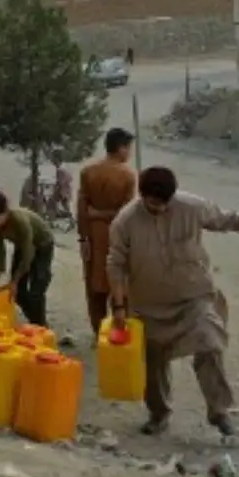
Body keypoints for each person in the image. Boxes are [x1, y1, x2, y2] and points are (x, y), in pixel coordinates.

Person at [107, 166, 239, 438]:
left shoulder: (191, 207)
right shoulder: (125, 222)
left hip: (193, 298)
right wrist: (120, 308)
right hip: (148, 305)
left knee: (210, 343)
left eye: (164, 204)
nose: (159, 209)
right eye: (152, 204)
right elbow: (116, 265)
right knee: (153, 364)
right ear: (142, 195)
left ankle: (219, 412)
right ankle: (158, 414)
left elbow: (231, 220)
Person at [77, 127, 136, 337]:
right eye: (128, 148)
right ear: (121, 148)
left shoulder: (88, 171)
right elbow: (128, 212)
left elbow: (82, 208)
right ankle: (121, 331)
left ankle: (98, 331)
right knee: (121, 283)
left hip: (93, 235)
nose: (129, 153)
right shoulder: (127, 175)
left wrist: (83, 235)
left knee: (94, 287)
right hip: (118, 236)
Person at [0, 190, 55, 327]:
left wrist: (15, 280)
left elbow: (28, 254)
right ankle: (36, 322)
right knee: (17, 293)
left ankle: (41, 327)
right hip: (21, 245)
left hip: (42, 244)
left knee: (36, 291)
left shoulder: (20, 221)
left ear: (6, 212)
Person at [49, 150, 73, 219]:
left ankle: (56, 216)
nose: (52, 161)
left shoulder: (60, 169)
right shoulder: (63, 168)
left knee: (54, 202)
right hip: (65, 190)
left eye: (53, 158)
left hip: (63, 190)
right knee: (64, 204)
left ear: (57, 159)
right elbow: (70, 178)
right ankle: (69, 218)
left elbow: (60, 182)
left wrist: (56, 189)